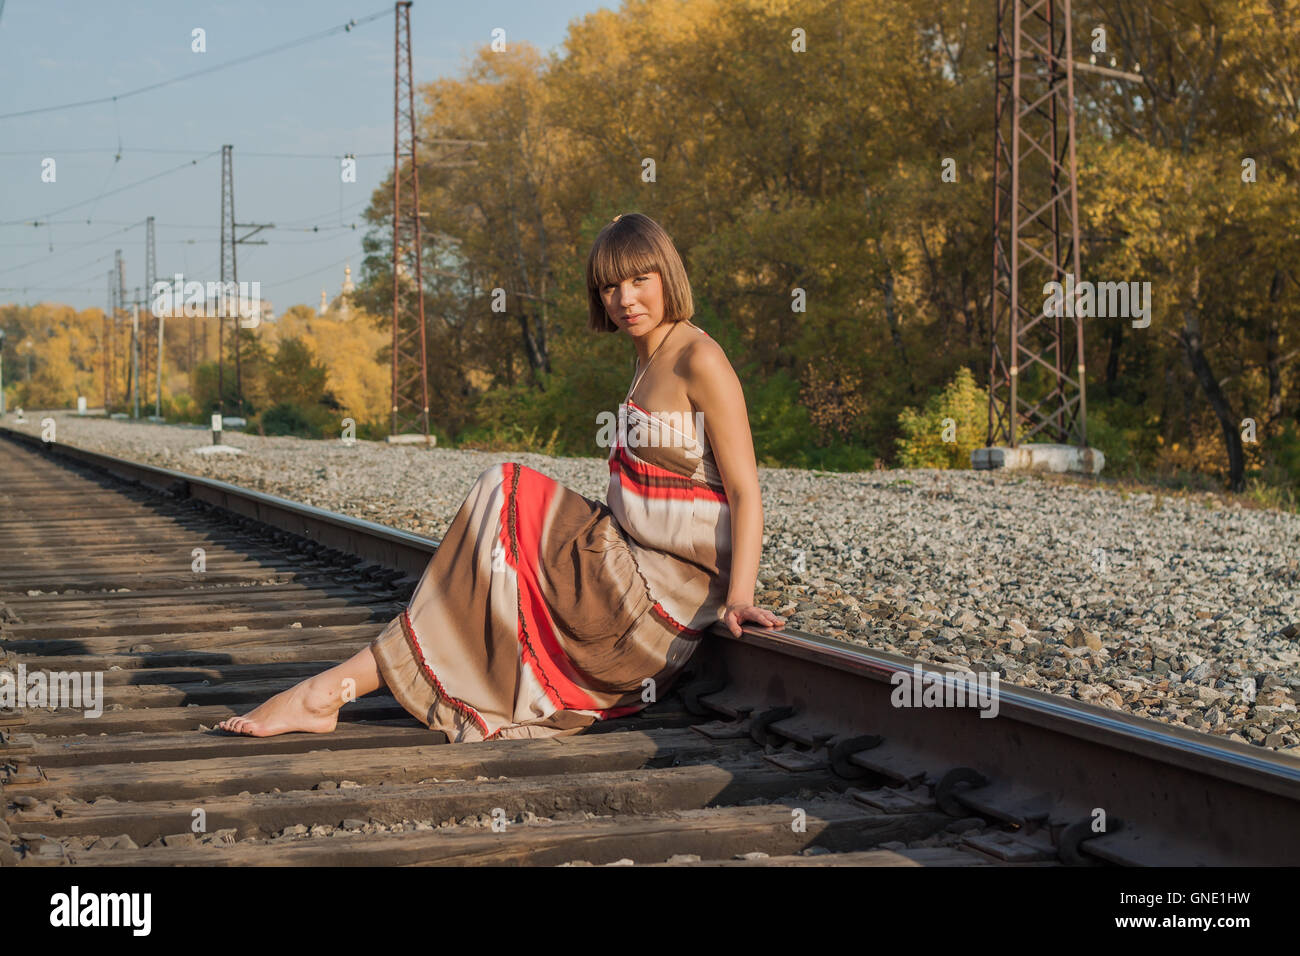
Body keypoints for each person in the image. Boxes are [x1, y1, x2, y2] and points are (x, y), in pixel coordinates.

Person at [216, 212, 783, 740]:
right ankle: (330, 692)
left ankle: (324, 693)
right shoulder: (646, 357)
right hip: (625, 563)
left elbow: (744, 490)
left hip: (654, 604)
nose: (624, 300)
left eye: (640, 280)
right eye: (610, 286)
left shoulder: (697, 359)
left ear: (669, 276)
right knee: (493, 531)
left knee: (505, 493)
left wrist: (738, 598)